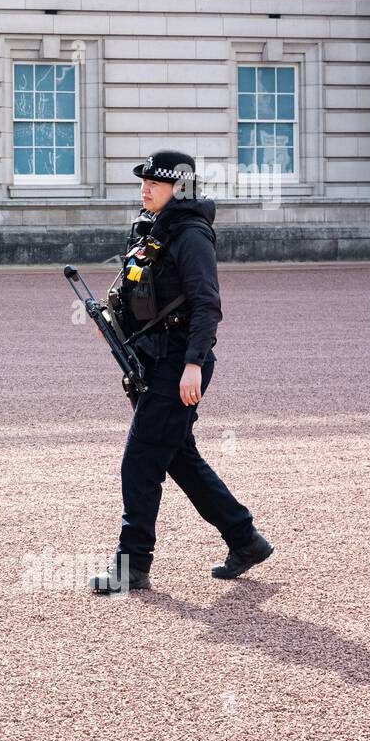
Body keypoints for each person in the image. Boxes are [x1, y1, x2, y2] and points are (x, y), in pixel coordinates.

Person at [91, 150, 273, 594]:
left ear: (182, 188)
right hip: (153, 358)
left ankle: (132, 565)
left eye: (157, 182)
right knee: (176, 456)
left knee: (140, 460)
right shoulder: (154, 230)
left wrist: (192, 364)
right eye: (144, 180)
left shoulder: (190, 235)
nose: (145, 187)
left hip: (179, 363)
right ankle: (244, 538)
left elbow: (207, 305)